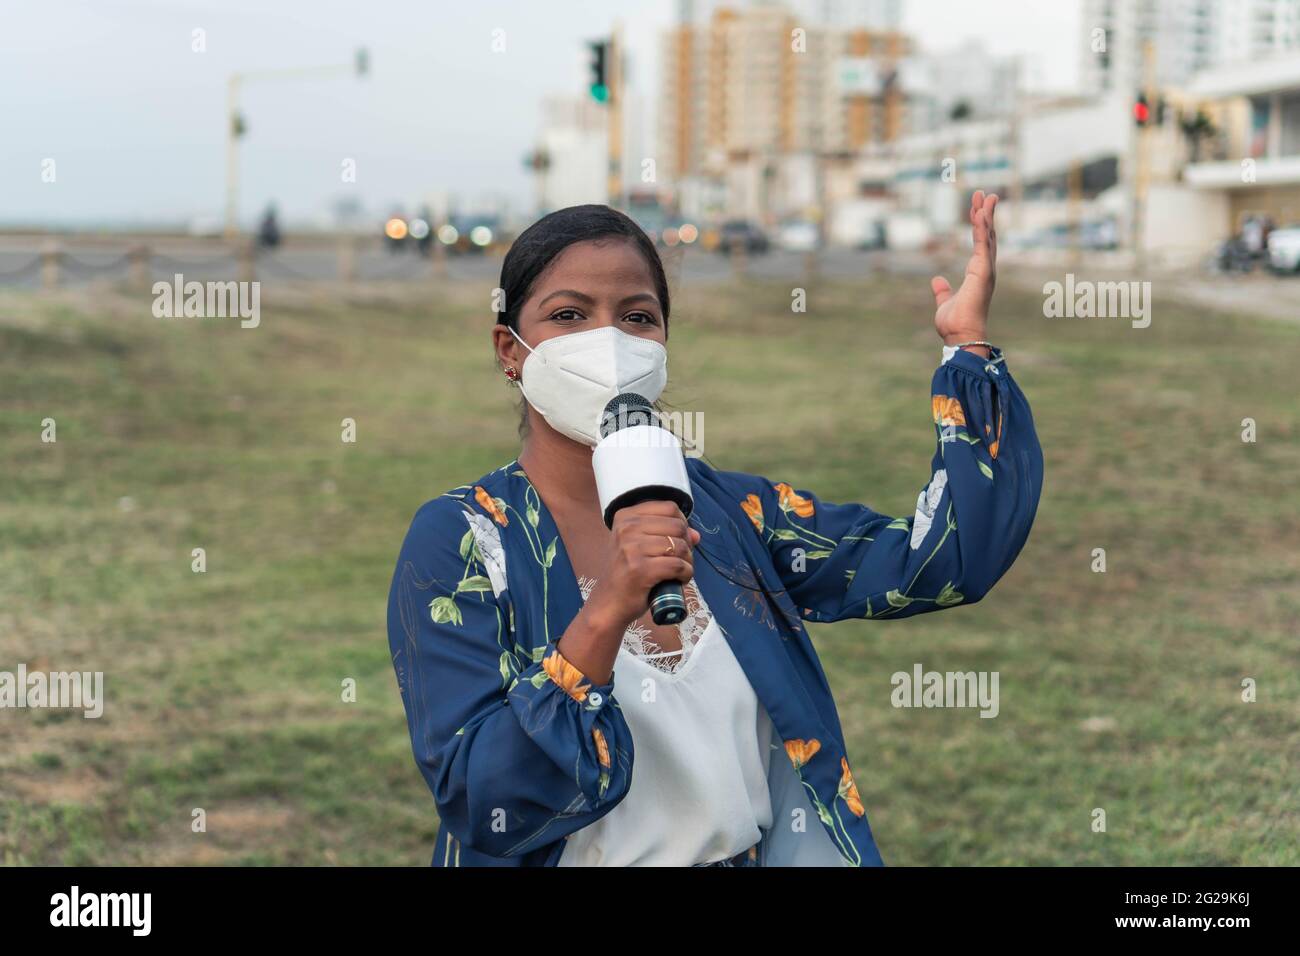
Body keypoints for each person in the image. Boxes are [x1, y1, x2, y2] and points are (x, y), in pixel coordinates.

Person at [386, 196, 1043, 867]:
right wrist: (608, 609)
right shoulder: (465, 542)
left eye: (638, 317)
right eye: (569, 315)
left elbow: (943, 561)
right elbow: (481, 799)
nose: (609, 341)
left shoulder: (730, 514)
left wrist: (968, 350)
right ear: (509, 350)